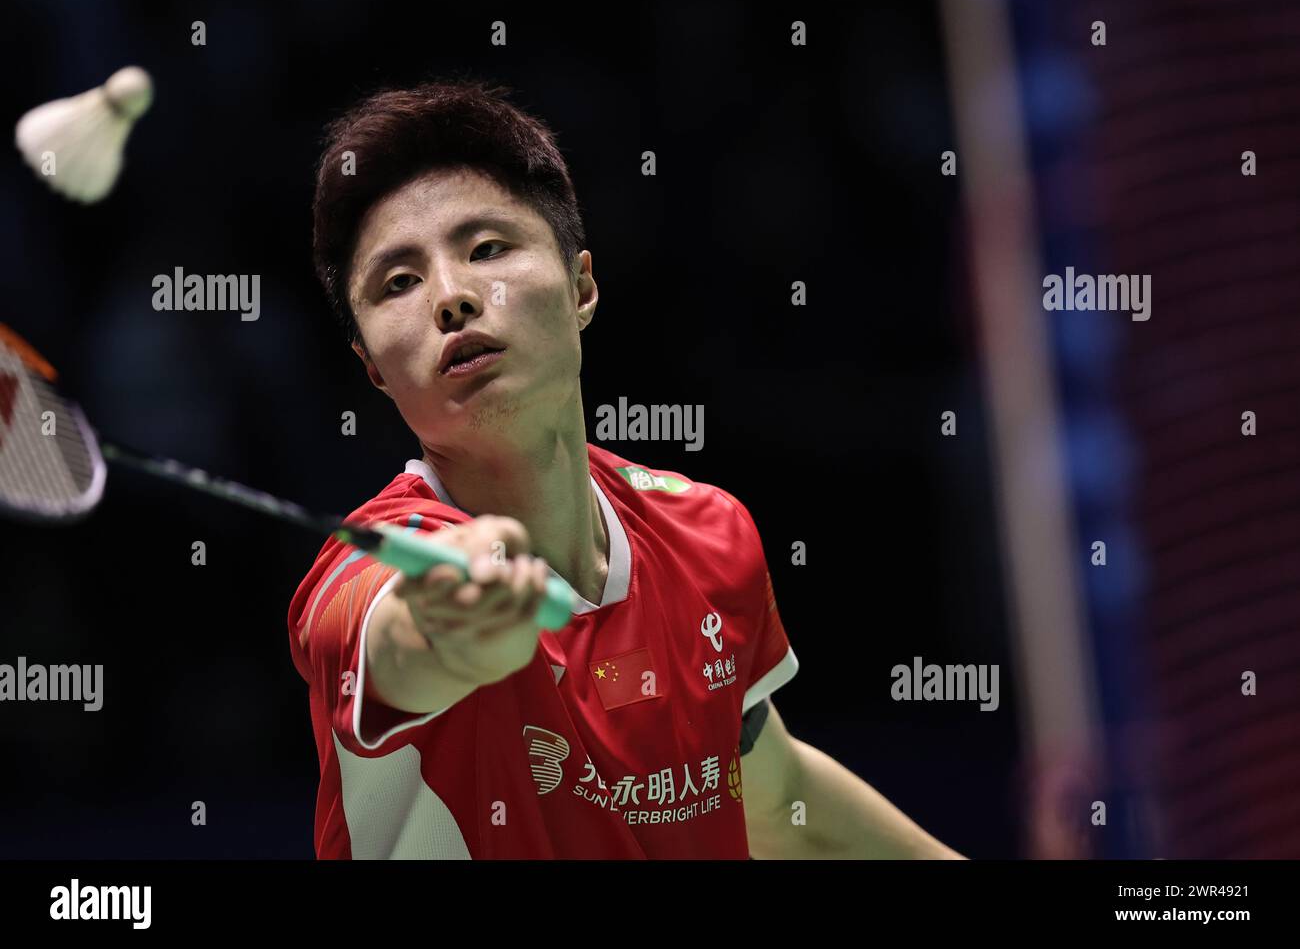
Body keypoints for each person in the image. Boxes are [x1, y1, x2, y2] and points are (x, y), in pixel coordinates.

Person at [287, 78, 963, 860]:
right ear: (373, 368)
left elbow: (778, 800)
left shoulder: (705, 535)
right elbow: (398, 640)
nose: (451, 297)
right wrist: (453, 623)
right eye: (398, 283)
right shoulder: (358, 575)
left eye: (488, 249)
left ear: (581, 287)